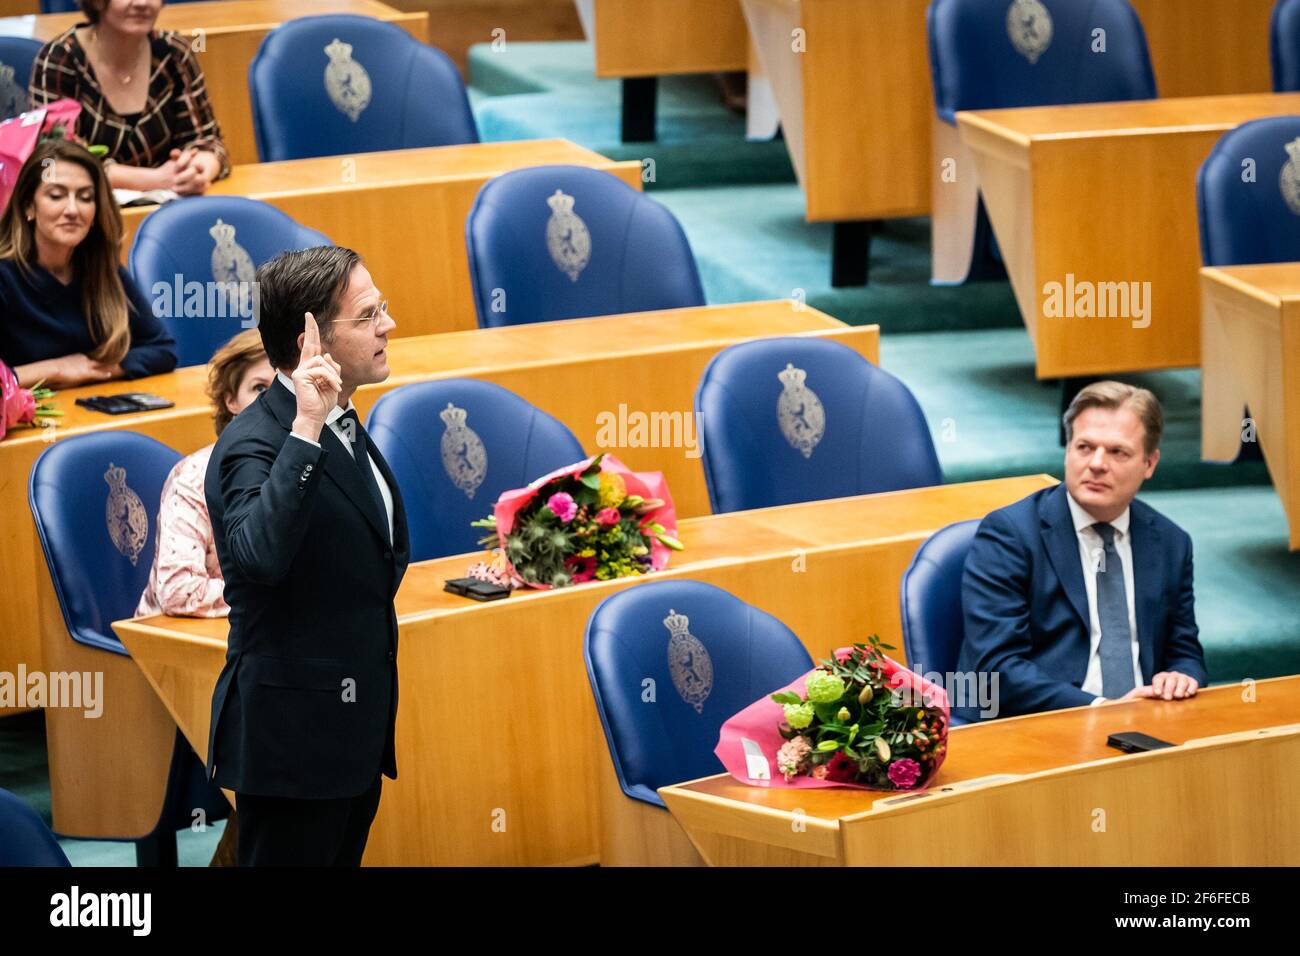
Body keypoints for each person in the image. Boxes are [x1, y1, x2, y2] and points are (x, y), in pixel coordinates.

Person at [205, 246, 408, 866]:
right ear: (310, 341)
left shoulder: (345, 421)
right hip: (292, 744)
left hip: (350, 734)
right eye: (369, 315)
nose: (388, 326)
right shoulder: (257, 444)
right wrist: (306, 430)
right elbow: (259, 558)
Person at [956, 381, 1208, 721]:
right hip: (1041, 725)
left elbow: (1184, 650)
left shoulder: (1170, 542)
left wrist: (1181, 677)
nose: (1097, 464)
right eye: (1085, 447)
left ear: (1150, 463)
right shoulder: (1010, 534)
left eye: (1118, 452)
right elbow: (996, 668)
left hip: (1144, 725)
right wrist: (1101, 710)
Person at [0, 138, 176, 389]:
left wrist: (90, 368)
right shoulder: (4, 277)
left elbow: (162, 349)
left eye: (85, 197)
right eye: (56, 195)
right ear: (29, 205)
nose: (72, 209)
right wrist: (57, 369)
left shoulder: (102, 268)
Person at [29, 0, 229, 195]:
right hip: (83, 211)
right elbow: (54, 157)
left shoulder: (174, 52)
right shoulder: (58, 59)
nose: (142, 3)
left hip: (171, 204)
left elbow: (207, 140)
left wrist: (197, 171)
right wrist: (152, 180)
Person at [136, 329, 271, 618]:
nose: (273, 401)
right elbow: (178, 590)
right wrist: (281, 597)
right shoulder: (193, 478)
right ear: (231, 401)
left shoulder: (308, 465)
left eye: (285, 389)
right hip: (171, 647)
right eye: (259, 388)